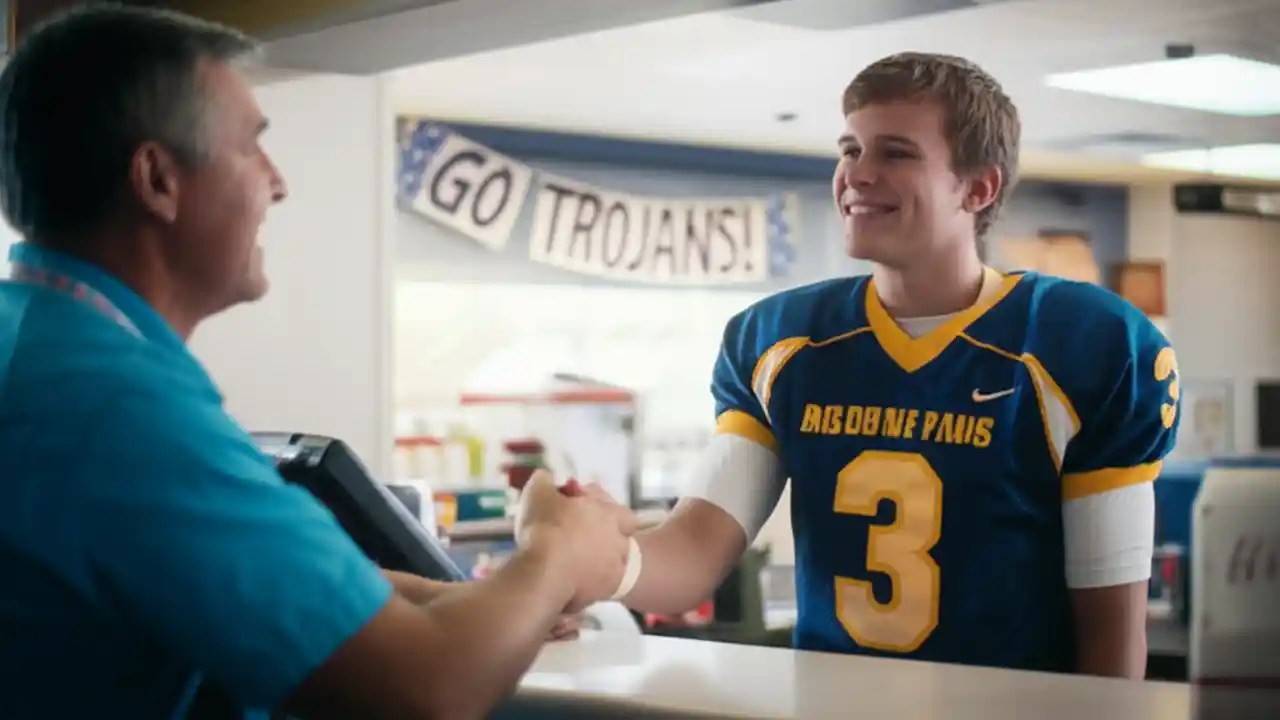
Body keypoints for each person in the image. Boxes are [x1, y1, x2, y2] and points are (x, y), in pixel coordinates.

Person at [0, 6, 634, 720]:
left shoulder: (38, 341)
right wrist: (557, 551)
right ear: (157, 180)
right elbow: (428, 689)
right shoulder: (117, 409)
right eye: (252, 148)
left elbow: (273, 579)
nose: (277, 183)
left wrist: (491, 600)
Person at [568, 52, 1180, 678]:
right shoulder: (783, 343)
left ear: (978, 187)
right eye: (849, 149)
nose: (857, 175)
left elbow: (1112, 636)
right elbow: (693, 553)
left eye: (895, 153)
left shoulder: (1084, 344)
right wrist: (587, 566)